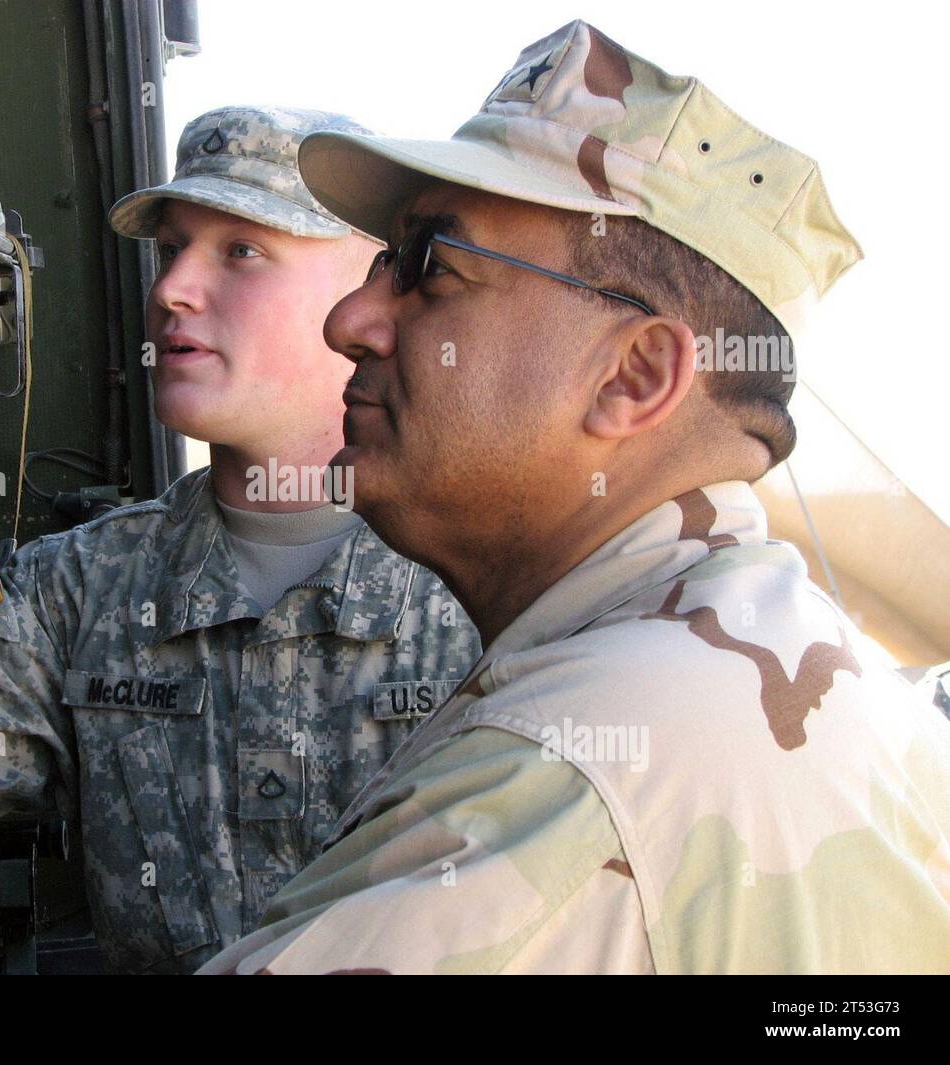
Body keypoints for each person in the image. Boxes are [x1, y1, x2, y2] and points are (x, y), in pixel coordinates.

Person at [200, 22, 950, 974]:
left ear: (632, 378)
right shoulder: (820, 680)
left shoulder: (565, 772)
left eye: (430, 267)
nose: (350, 320)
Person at [0, 106, 480, 974]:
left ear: (366, 291)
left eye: (241, 250)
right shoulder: (83, 589)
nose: (171, 289)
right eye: (170, 249)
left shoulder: (489, 581)